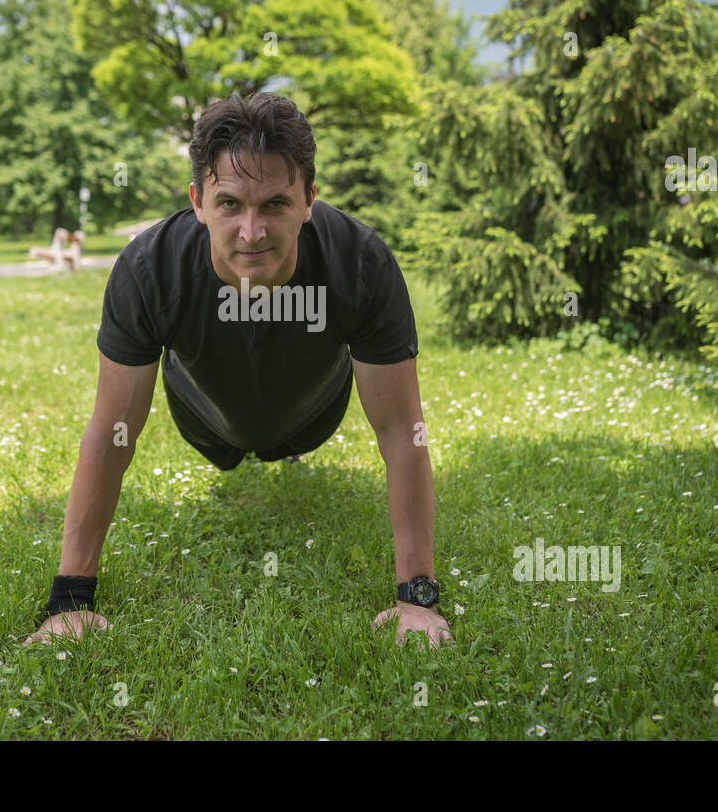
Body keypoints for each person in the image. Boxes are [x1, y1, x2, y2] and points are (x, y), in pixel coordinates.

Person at [24, 92, 451, 650]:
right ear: (198, 201)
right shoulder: (149, 270)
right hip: (203, 414)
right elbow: (111, 433)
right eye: (230, 204)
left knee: (303, 425)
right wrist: (70, 602)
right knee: (205, 429)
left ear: (309, 201)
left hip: (314, 413)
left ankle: (286, 443)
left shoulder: (360, 262)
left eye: (275, 203)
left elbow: (401, 429)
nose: (251, 232)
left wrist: (417, 599)